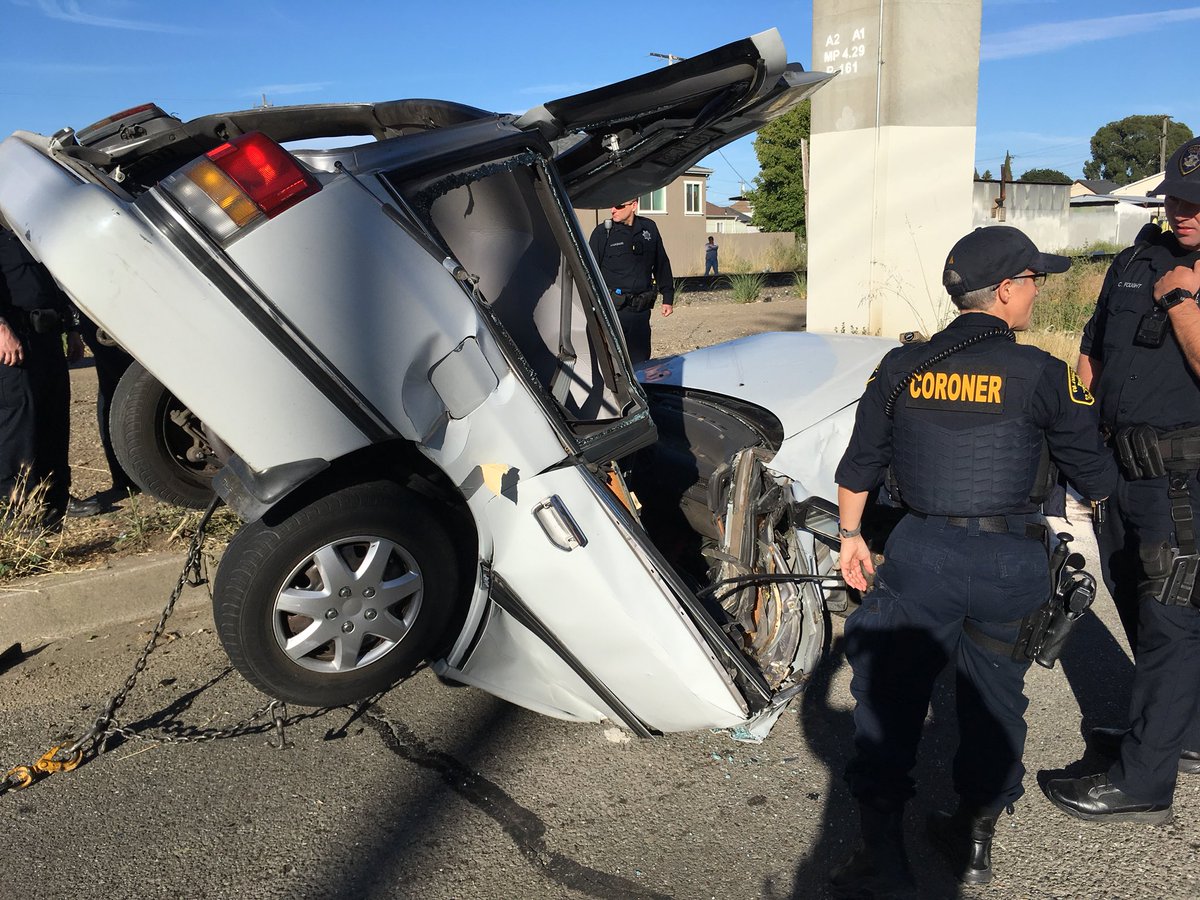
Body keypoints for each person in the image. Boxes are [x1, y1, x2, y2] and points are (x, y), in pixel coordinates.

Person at [831, 225, 1117, 896]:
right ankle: (976, 833)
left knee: (890, 697)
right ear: (1008, 290)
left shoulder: (901, 368)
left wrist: (850, 538)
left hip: (920, 553)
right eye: (1033, 281)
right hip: (1008, 562)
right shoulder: (1044, 374)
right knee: (995, 701)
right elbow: (1094, 477)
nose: (1037, 293)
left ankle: (882, 853)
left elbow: (860, 464)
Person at [1044, 137, 1200, 825]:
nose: (1184, 210)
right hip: (1120, 471)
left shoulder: (1183, 280)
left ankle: (1144, 779)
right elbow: (1092, 351)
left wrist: (1184, 302)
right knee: (1137, 604)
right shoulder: (1139, 258)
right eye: (1178, 195)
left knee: (1173, 620)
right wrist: (1085, 442)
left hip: (1185, 482)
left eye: (1198, 202)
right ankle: (1174, 734)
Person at [0, 225, 99, 529]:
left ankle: (55, 501)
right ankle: (15, 511)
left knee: (54, 420)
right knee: (21, 426)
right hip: (15, 340)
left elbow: (53, 282)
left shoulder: (28, 229)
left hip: (48, 336)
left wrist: (72, 329)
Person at [588, 199, 674, 365]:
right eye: (611, 205)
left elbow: (661, 263)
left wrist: (668, 297)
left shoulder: (649, 228)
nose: (613, 210)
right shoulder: (602, 233)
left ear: (633, 206)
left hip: (640, 312)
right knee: (612, 365)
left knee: (640, 363)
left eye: (619, 206)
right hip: (614, 311)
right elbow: (590, 272)